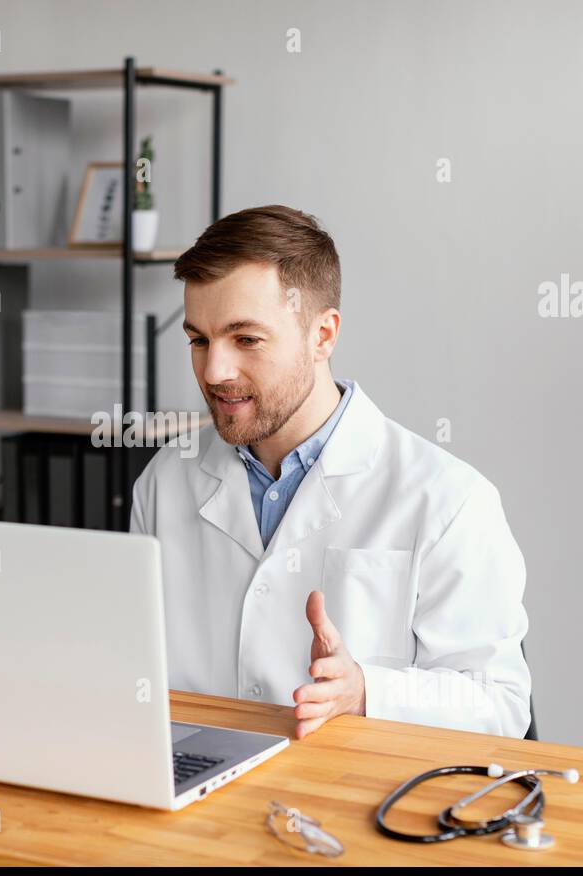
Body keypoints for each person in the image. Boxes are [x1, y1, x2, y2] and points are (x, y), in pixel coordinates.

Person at [130, 205, 532, 739]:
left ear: (323, 335)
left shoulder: (447, 499)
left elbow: (500, 705)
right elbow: (132, 664)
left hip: (353, 801)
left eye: (246, 339)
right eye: (199, 340)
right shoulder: (165, 480)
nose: (214, 372)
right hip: (197, 795)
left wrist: (367, 690)